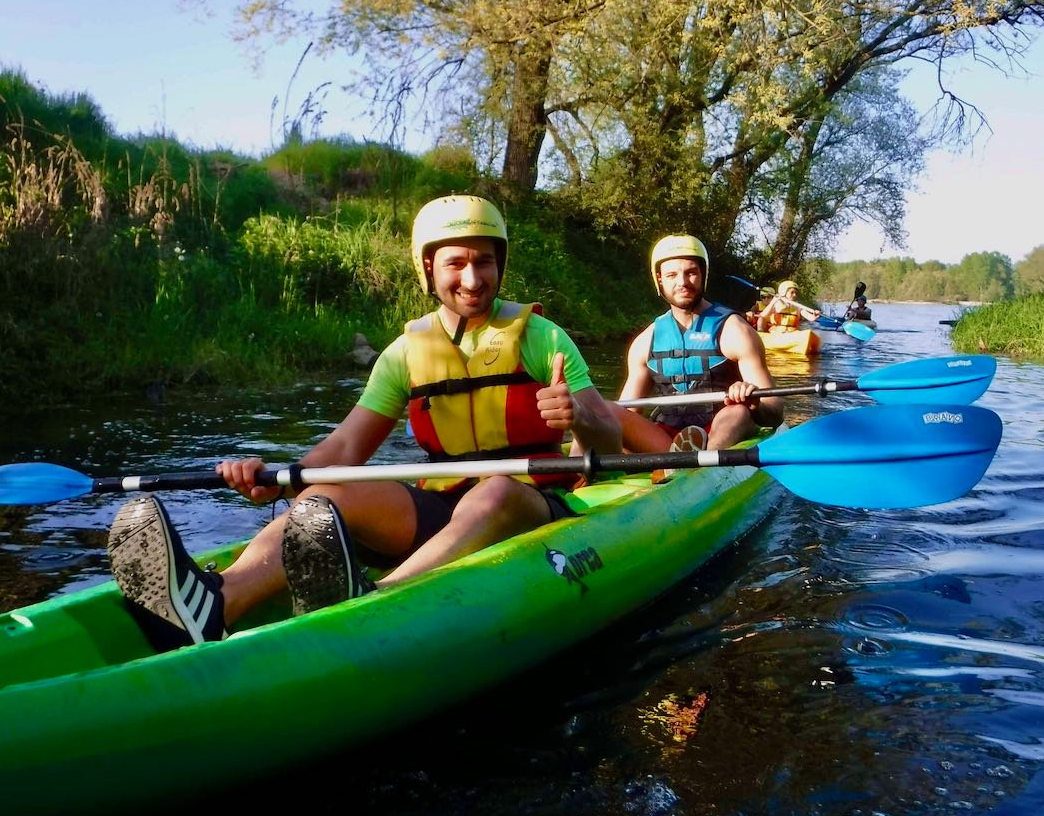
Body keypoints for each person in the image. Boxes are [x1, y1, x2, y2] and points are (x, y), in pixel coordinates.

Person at [107, 194, 622, 650]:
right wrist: (281, 480)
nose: (472, 278)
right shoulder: (405, 354)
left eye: (484, 262)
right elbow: (346, 446)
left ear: (500, 266)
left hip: (531, 504)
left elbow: (612, 439)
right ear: (428, 268)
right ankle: (216, 602)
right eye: (456, 263)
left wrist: (577, 416)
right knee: (328, 494)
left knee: (494, 492)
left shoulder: (542, 338)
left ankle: (380, 600)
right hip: (445, 508)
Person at [613, 235, 784, 456]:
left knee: (736, 414)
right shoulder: (645, 341)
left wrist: (754, 402)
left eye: (691, 272)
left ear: (703, 275)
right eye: (672, 275)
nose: (682, 282)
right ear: (660, 280)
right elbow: (628, 412)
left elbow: (775, 413)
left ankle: (701, 462)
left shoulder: (735, 331)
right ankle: (582, 474)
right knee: (612, 413)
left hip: (722, 428)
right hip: (666, 435)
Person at [752, 279, 820, 332]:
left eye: (795, 293)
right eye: (792, 292)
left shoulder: (798, 306)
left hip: (792, 333)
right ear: (783, 292)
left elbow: (810, 317)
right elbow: (763, 315)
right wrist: (773, 302)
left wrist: (814, 316)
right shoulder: (777, 304)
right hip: (777, 333)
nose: (794, 295)